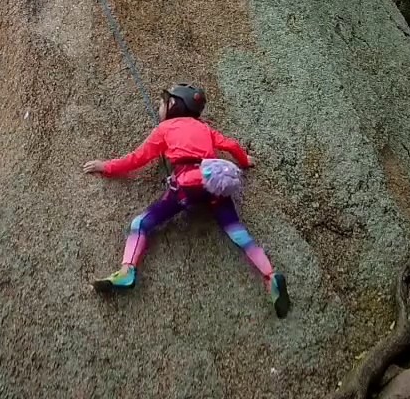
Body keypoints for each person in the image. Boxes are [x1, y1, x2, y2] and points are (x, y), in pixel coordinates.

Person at [82, 84, 291, 318]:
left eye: (162, 103)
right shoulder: (204, 128)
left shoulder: (165, 129)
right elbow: (231, 145)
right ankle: (270, 275)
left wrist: (106, 167)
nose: (159, 107)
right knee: (239, 233)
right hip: (214, 182)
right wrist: (244, 161)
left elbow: (136, 159)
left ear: (172, 105)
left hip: (186, 186)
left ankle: (127, 271)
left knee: (140, 224)